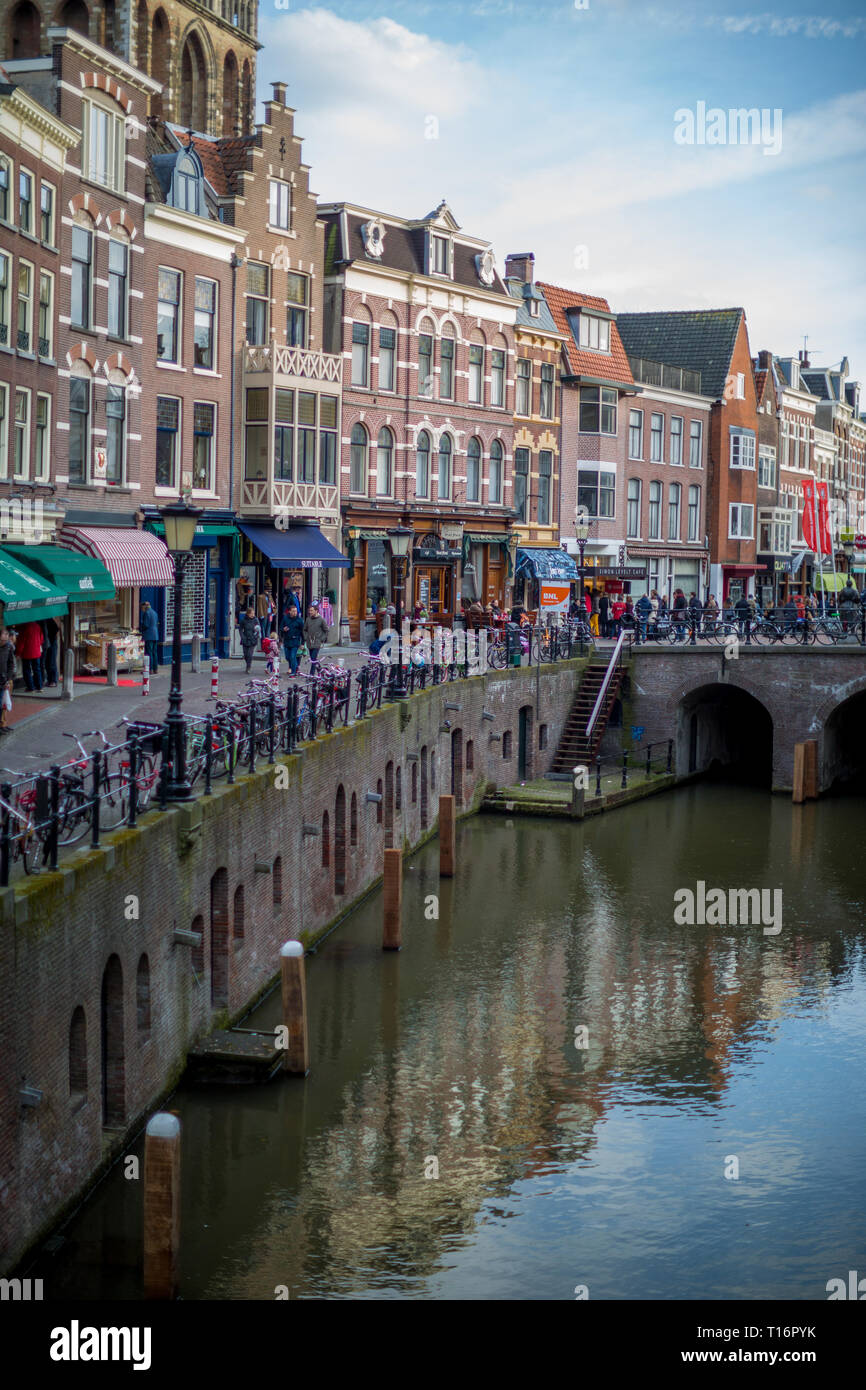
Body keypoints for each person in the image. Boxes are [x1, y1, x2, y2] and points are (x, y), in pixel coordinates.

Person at [16, 620, 43, 692]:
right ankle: (39, 687)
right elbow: (41, 639)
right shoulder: (37, 626)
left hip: (27, 652)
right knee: (37, 669)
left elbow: (21, 642)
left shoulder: (24, 627)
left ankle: (31, 687)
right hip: (36, 652)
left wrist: (18, 653)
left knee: (27, 670)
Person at [304, 603, 329, 673]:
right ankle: (320, 669)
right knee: (313, 657)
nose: (310, 612)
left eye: (312, 610)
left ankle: (311, 674)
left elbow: (326, 630)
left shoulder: (321, 620)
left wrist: (321, 639)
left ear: (316, 611)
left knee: (313, 659)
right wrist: (306, 637)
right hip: (309, 641)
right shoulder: (308, 619)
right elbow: (305, 629)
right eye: (310, 610)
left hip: (317, 642)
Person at [280, 603, 304, 676]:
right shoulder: (285, 618)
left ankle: (293, 672)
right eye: (293, 611)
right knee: (287, 657)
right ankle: (295, 667)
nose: (295, 613)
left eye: (296, 611)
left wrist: (302, 643)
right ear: (289, 611)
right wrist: (283, 630)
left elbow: (303, 632)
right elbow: (281, 628)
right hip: (287, 640)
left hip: (295, 640)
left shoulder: (299, 620)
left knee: (293, 656)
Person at [238, 603, 261, 673]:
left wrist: (256, 636)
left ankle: (248, 667)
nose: (253, 615)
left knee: (249, 654)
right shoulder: (243, 620)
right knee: (245, 654)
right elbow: (240, 629)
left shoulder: (256, 620)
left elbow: (258, 629)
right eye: (251, 613)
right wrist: (242, 636)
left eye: (253, 613)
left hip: (253, 639)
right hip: (245, 638)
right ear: (248, 614)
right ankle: (247, 663)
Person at [139, 600, 160, 676]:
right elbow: (157, 623)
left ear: (144, 606)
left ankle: (149, 669)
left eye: (142, 607)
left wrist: (140, 629)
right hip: (155, 635)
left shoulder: (146, 613)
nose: (141, 609)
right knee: (155, 652)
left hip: (149, 635)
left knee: (149, 652)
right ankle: (155, 669)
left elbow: (146, 625)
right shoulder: (154, 612)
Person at [0, 628, 15, 733]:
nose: (5, 639)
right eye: (3, 637)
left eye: (7, 636)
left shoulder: (8, 647)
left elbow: (10, 663)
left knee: (3, 704)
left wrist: (8, 678)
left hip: (4, 680)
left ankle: (2, 725)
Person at [41, 617, 60, 687]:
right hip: (47, 642)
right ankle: (50, 680)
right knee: (47, 662)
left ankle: (53, 680)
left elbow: (56, 629)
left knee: (51, 661)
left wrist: (50, 636)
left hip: (52, 642)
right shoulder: (44, 620)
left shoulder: (48, 619)